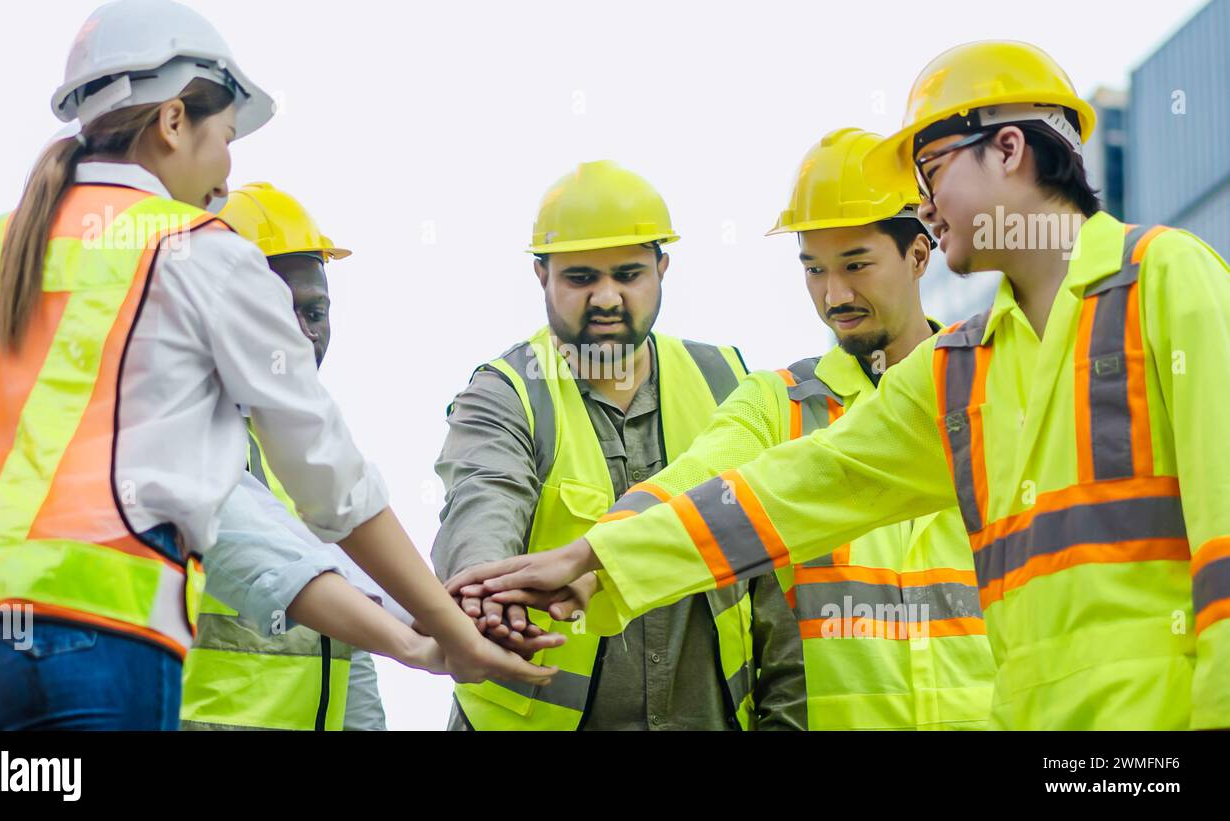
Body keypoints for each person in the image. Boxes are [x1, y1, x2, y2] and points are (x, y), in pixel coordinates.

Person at [448, 41, 1230, 730]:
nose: (926, 205)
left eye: (932, 171)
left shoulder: (1162, 280)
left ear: (1011, 150)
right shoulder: (964, 370)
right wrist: (593, 556)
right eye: (814, 267)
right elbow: (793, 485)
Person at [0, 0, 551, 731]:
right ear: (171, 123)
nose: (226, 172)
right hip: (95, 643)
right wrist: (447, 627)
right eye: (225, 138)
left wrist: (414, 632)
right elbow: (332, 481)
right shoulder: (200, 249)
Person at [572, 128, 995, 729]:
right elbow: (692, 480)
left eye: (856, 265)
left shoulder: (987, 388)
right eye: (814, 270)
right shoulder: (780, 404)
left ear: (919, 255)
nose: (834, 294)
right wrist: (589, 555)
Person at [434, 160, 804, 730]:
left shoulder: (726, 380)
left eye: (628, 274)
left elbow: (773, 576)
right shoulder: (506, 393)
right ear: (541, 277)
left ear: (663, 268)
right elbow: (483, 500)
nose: (607, 297)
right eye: (581, 278)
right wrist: (487, 592)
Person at [181, 183, 427, 731]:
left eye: (314, 310)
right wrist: (436, 623)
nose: (301, 334)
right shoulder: (180, 441)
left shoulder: (317, 456)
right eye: (276, 313)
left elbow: (350, 645)